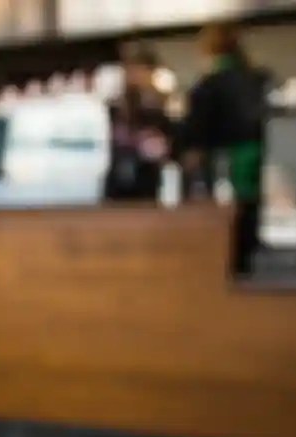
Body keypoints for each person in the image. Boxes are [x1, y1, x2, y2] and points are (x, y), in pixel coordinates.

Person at [183, 23, 271, 274]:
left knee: (224, 220)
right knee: (248, 215)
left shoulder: (208, 85)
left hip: (224, 159)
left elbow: (197, 133)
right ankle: (247, 263)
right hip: (254, 157)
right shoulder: (256, 78)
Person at [104, 46, 173, 201]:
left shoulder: (158, 107)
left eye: (138, 69)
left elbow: (164, 147)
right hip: (119, 179)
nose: (133, 75)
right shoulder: (116, 106)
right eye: (129, 69)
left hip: (146, 178)